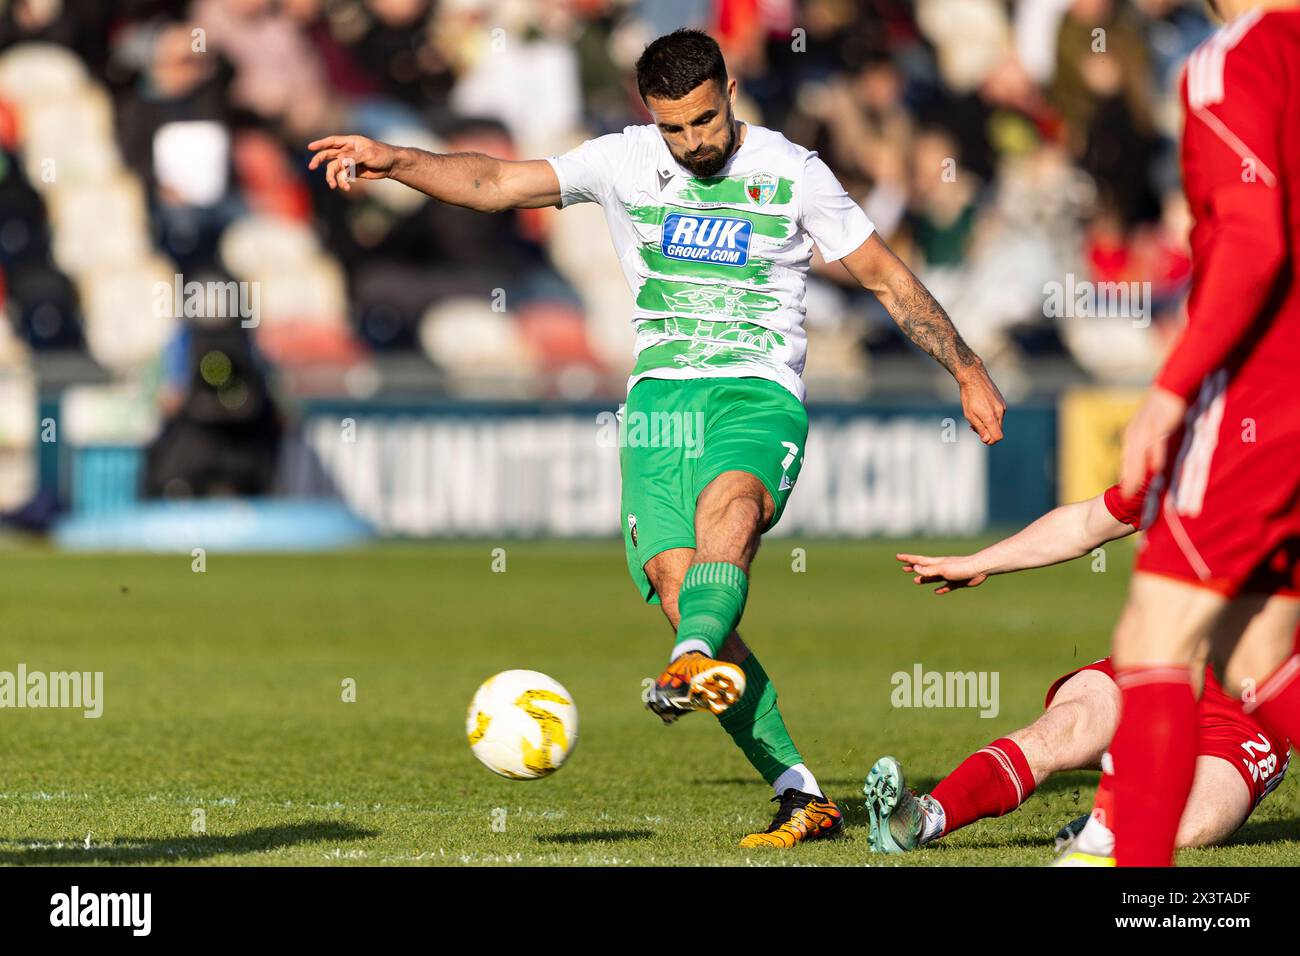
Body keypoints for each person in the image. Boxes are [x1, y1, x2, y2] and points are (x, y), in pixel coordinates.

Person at [307, 28, 1006, 847]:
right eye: (674, 128)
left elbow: (885, 275)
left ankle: (692, 656)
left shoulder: (792, 172)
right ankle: (801, 792)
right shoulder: (624, 161)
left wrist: (964, 366)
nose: (692, 143)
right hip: (659, 406)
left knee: (733, 512)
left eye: (704, 122)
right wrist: (396, 159)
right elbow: (495, 180)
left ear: (731, 93)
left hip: (756, 393)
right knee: (681, 588)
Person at [1108, 0, 1300, 865]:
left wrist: (1170, 391)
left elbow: (1254, 244)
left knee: (1156, 639)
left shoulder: (1236, 57)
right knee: (1256, 656)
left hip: (1271, 388)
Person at [862, 482, 1290, 864]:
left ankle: (1107, 825)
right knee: (1056, 732)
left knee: (1194, 824)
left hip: (1247, 713)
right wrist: (980, 562)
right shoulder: (1194, 465)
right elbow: (1086, 525)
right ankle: (921, 820)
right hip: (1155, 666)